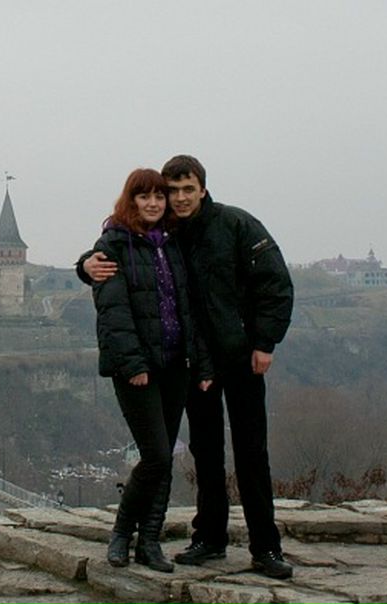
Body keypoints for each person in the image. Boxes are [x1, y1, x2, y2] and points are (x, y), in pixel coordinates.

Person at [78, 155, 295, 579]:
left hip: (242, 356)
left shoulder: (235, 224)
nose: (178, 198)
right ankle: (209, 538)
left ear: (203, 189)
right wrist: (86, 264)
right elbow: (120, 241)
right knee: (206, 453)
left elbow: (276, 282)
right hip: (195, 362)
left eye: (186, 189)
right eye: (172, 190)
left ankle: (265, 547)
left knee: (251, 453)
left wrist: (265, 342)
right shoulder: (169, 232)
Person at [90, 168, 213, 571]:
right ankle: (122, 534)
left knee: (165, 457)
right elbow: (113, 312)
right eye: (144, 197)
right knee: (157, 455)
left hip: (176, 365)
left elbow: (190, 310)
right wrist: (133, 364)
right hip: (137, 369)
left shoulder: (175, 243)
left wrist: (201, 363)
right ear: (131, 200)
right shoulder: (112, 245)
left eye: (159, 197)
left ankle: (150, 542)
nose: (154, 203)